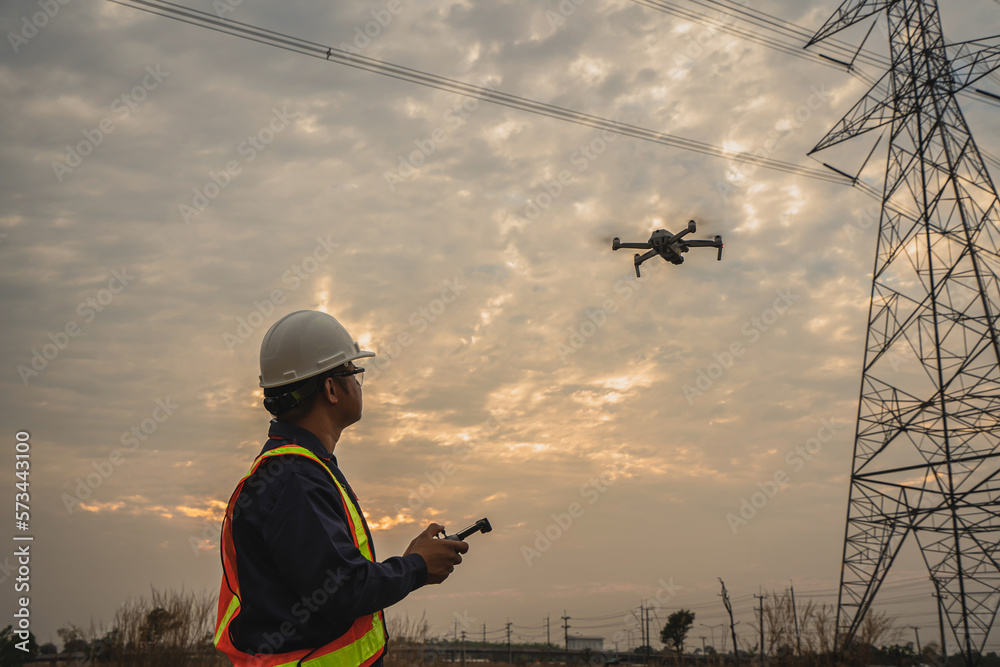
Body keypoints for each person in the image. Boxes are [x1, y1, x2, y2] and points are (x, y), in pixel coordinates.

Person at [215, 310, 469, 666]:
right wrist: (416, 567)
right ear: (331, 389)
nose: (358, 382)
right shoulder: (296, 480)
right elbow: (341, 589)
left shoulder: (298, 470)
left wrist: (413, 561)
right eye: (353, 372)